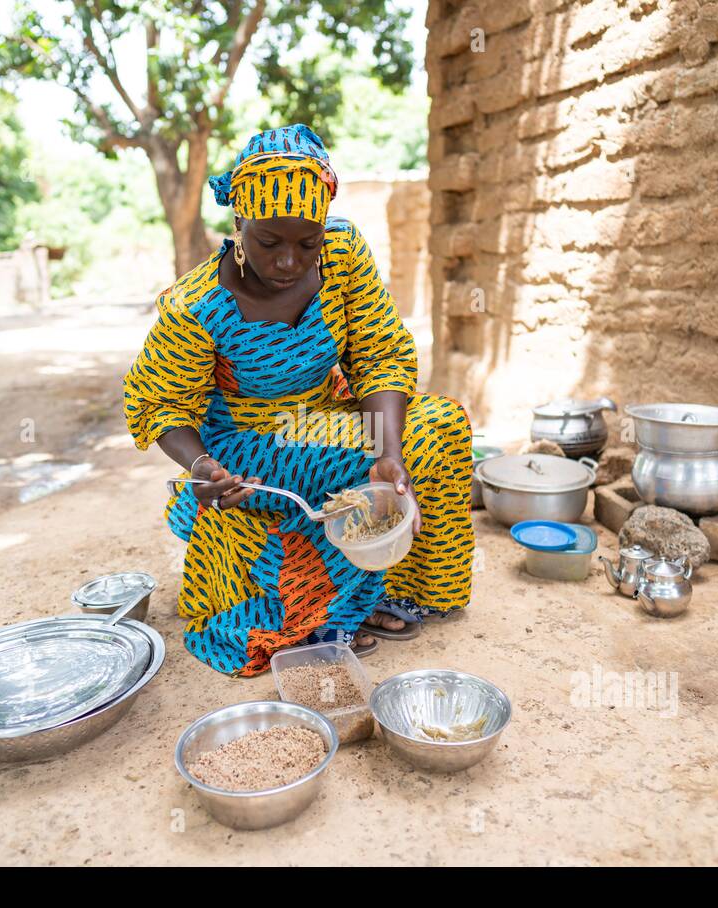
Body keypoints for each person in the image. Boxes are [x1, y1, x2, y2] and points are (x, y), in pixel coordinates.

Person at [123, 124, 473, 676]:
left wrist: (390, 451)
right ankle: (329, 616)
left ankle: (401, 588)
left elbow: (380, 352)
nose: (290, 261)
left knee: (436, 425)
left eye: (306, 243)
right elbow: (161, 406)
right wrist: (200, 465)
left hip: (325, 412)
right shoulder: (198, 305)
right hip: (243, 438)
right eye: (269, 243)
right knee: (357, 460)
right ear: (239, 222)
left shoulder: (342, 255)